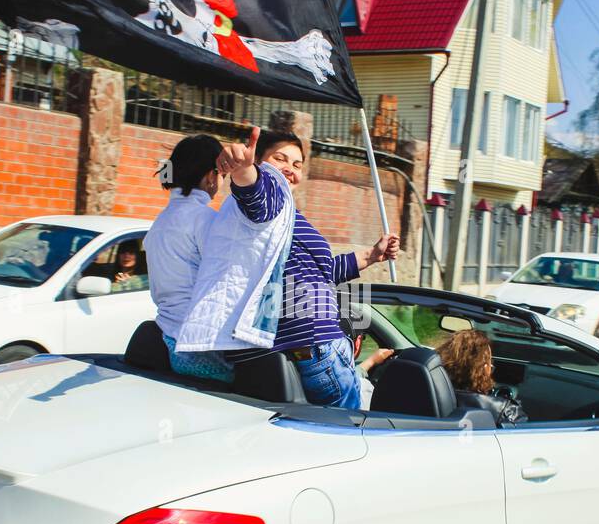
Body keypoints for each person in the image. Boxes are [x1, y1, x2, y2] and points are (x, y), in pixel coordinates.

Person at [175, 127, 400, 408]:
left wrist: (372, 255)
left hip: (310, 351)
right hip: (318, 348)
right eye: (280, 158)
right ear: (259, 160)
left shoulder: (286, 216)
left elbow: (322, 270)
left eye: (297, 164)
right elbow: (256, 193)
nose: (290, 170)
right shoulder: (272, 195)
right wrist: (244, 170)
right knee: (349, 439)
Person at [144, 133, 233, 382]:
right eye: (222, 175)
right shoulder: (204, 219)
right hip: (200, 344)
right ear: (210, 177)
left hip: (169, 337)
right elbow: (226, 277)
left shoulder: (161, 220)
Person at [437, 330, 527, 425]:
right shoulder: (506, 411)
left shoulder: (430, 395)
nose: (491, 368)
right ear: (483, 369)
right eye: (489, 363)